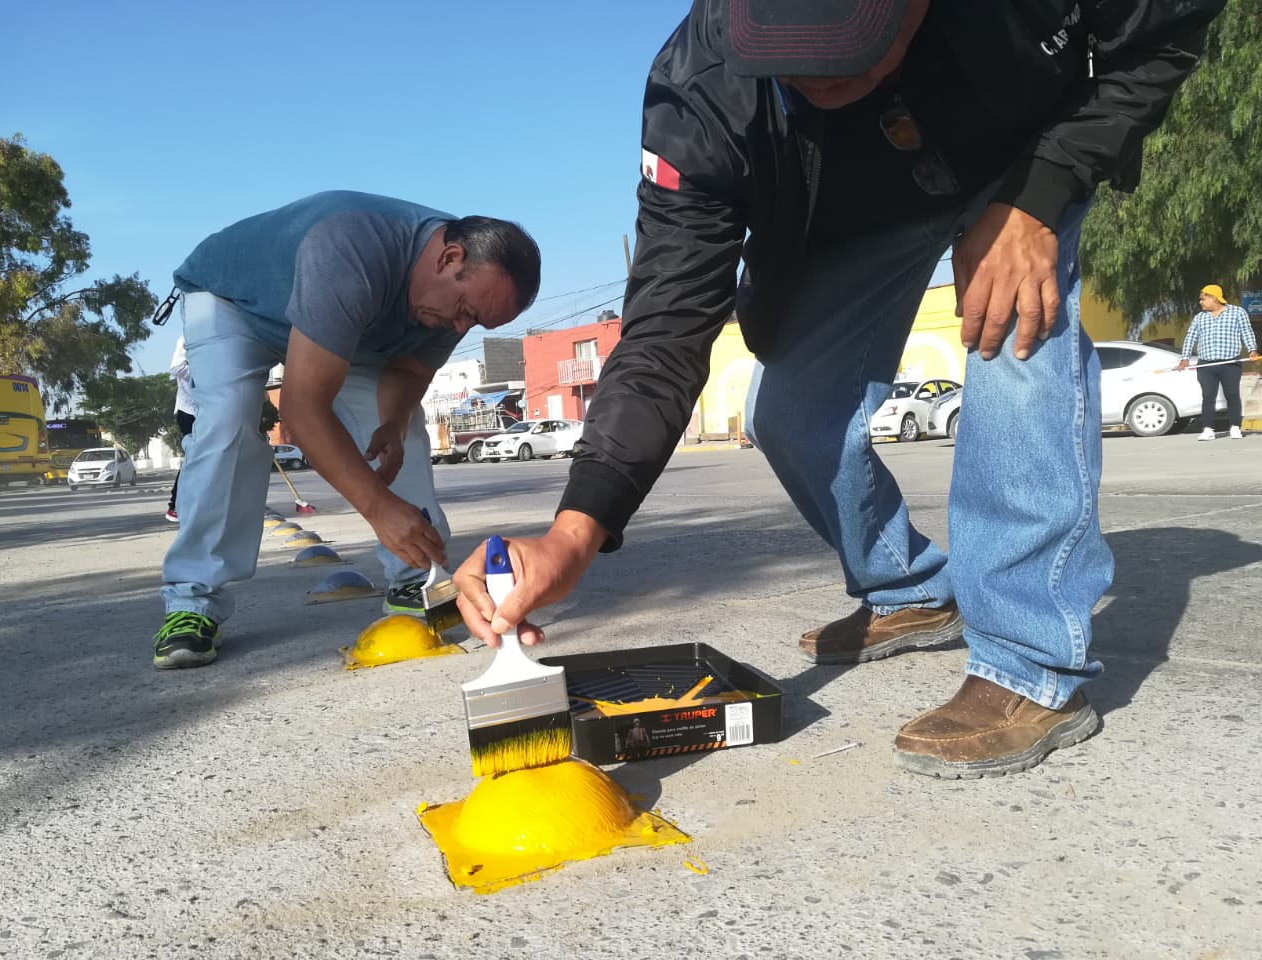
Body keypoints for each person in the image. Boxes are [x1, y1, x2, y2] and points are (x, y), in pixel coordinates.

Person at [455, 0, 1224, 778]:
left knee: (1013, 327)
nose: (816, 67)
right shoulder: (700, 93)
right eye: (787, 50)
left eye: (845, 44)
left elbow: (1168, 30)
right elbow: (663, 330)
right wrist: (574, 531)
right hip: (862, 217)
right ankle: (911, 588)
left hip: (1020, 158)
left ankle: (1030, 665)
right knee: (788, 413)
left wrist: (1040, 195)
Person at [153, 190, 540, 670]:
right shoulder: (352, 250)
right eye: (464, 309)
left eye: (476, 322)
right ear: (449, 257)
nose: (461, 325)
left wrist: (393, 426)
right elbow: (302, 408)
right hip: (236, 303)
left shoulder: (461, 292)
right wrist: (378, 508)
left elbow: (409, 373)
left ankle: (415, 579)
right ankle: (192, 601)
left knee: (405, 435)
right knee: (227, 421)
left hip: (347, 327)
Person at [1175, 284, 1258, 440]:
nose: (1200, 302)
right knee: (1208, 396)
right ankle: (1208, 429)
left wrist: (1252, 349)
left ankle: (1235, 427)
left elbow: (1247, 332)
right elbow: (1190, 338)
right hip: (1206, 364)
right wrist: (1184, 358)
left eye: (1203, 299)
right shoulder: (1200, 317)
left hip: (1230, 363)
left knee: (1232, 394)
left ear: (1214, 298)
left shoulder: (1237, 312)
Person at [165, 335, 195, 523]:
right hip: (189, 410)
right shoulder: (187, 336)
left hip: (212, 409)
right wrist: (208, 371)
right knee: (194, 456)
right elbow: (176, 367)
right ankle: (175, 505)